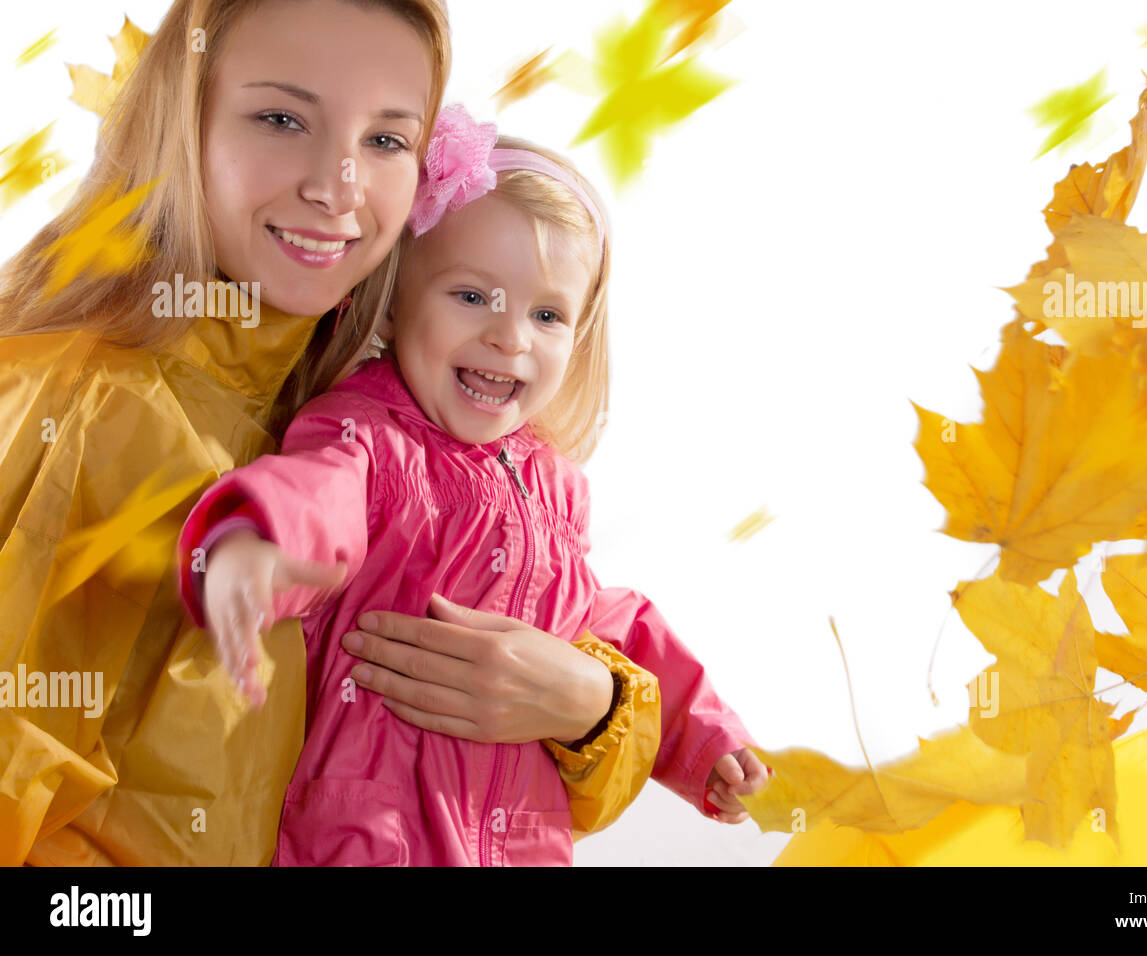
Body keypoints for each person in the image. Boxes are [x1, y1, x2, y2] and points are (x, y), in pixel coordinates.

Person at [0, 0, 657, 866]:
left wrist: (591, 706)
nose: (336, 185)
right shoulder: (97, 407)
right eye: (281, 118)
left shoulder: (370, 416)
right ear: (182, 122)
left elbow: (496, 767)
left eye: (386, 140)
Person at [176, 105, 769, 865]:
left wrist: (706, 738)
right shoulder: (368, 434)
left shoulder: (555, 489)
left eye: (547, 314)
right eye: (471, 296)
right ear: (393, 301)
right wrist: (256, 546)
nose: (510, 335)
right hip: (366, 841)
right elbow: (318, 499)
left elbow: (615, 625)